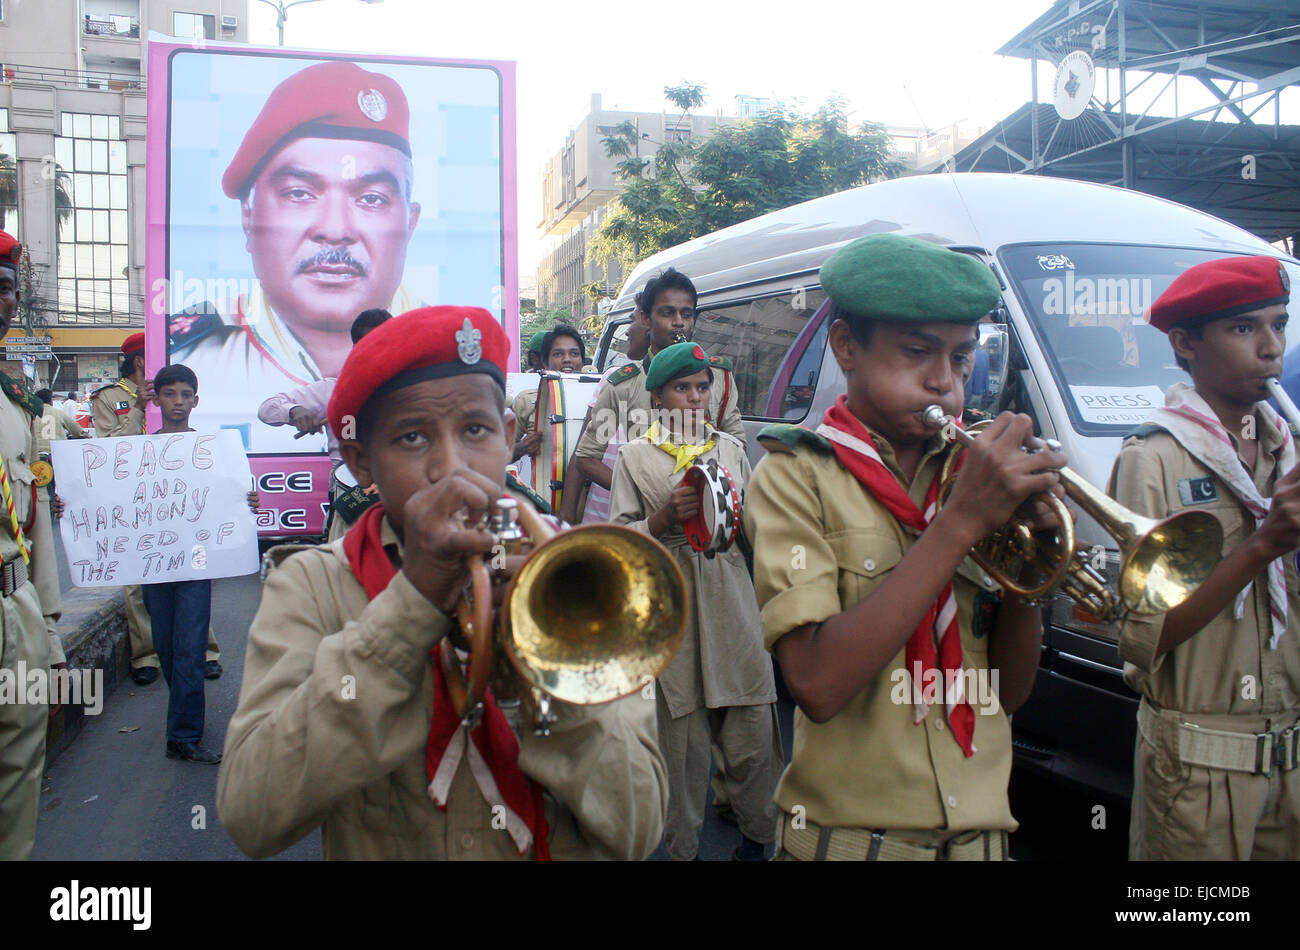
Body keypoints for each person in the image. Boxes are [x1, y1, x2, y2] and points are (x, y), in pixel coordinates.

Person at [217, 305, 667, 860]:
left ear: (507, 438)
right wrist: (411, 605)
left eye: (475, 430)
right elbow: (252, 813)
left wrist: (554, 654)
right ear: (360, 462)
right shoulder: (313, 585)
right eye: (411, 438)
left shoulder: (574, 569)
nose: (451, 468)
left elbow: (638, 828)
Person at [745, 233, 1065, 861]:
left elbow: (1005, 695)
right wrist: (958, 525)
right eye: (918, 352)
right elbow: (817, 683)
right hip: (852, 846)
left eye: (963, 357)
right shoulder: (795, 475)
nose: (945, 382)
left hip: (982, 842)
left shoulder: (969, 474)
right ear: (846, 347)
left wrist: (1030, 573)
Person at [1107, 256, 1300, 860]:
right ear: (1184, 344)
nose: (1270, 349)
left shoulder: (1286, 449)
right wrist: (1265, 543)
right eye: (1243, 329)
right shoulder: (1153, 459)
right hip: (1196, 770)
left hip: (1291, 762)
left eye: (1279, 324)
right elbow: (1147, 637)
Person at [171, 61, 424, 453]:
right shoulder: (190, 345)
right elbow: (271, 408)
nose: (336, 229)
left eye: (371, 199)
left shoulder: (433, 364)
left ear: (409, 223)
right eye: (300, 193)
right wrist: (295, 414)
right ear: (249, 216)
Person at [608, 341, 781, 861]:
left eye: (702, 388)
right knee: (680, 742)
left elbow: (754, 531)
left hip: (732, 598)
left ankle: (755, 839)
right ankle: (683, 849)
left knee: (753, 726)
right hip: (671, 602)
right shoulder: (635, 457)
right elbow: (618, 544)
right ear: (658, 397)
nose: (694, 398)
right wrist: (662, 521)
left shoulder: (729, 448)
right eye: (682, 389)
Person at [138, 364, 260, 764]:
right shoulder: (138, 451)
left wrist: (248, 502)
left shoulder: (212, 450)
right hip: (154, 563)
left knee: (190, 647)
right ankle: (184, 716)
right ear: (155, 398)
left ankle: (183, 735)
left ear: (196, 400)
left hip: (194, 563)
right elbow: (112, 498)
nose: (177, 402)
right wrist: (68, 505)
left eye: (184, 394)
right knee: (167, 647)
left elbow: (231, 494)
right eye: (169, 394)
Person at [92, 335, 223, 686]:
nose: (176, 399)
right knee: (139, 585)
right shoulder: (110, 399)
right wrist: (138, 407)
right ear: (138, 361)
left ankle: (204, 651)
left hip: (180, 501)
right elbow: (107, 453)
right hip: (139, 505)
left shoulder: (176, 392)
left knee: (194, 577)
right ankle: (147, 655)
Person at [567, 270, 744, 524]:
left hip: (710, 519)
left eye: (687, 314)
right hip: (649, 526)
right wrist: (642, 493)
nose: (679, 322)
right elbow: (586, 457)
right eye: (667, 313)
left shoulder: (719, 375)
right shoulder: (622, 384)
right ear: (645, 319)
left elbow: (737, 445)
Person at [0, 229, 64, 860]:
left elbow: (32, 525)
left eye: (7, 288)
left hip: (15, 614)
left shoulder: (15, 406)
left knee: (20, 766)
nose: (3, 300)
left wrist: (47, 633)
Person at [258, 308, 391, 542]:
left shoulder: (409, 391)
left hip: (395, 489)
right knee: (346, 567)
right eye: (369, 343)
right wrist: (294, 411)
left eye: (385, 342)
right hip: (350, 491)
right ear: (356, 348)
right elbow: (267, 409)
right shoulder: (332, 390)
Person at [510, 323, 586, 465]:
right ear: (545, 362)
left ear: (582, 360)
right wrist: (521, 448)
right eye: (558, 354)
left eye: (574, 353)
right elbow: (493, 456)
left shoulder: (598, 397)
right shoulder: (526, 401)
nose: (567, 359)